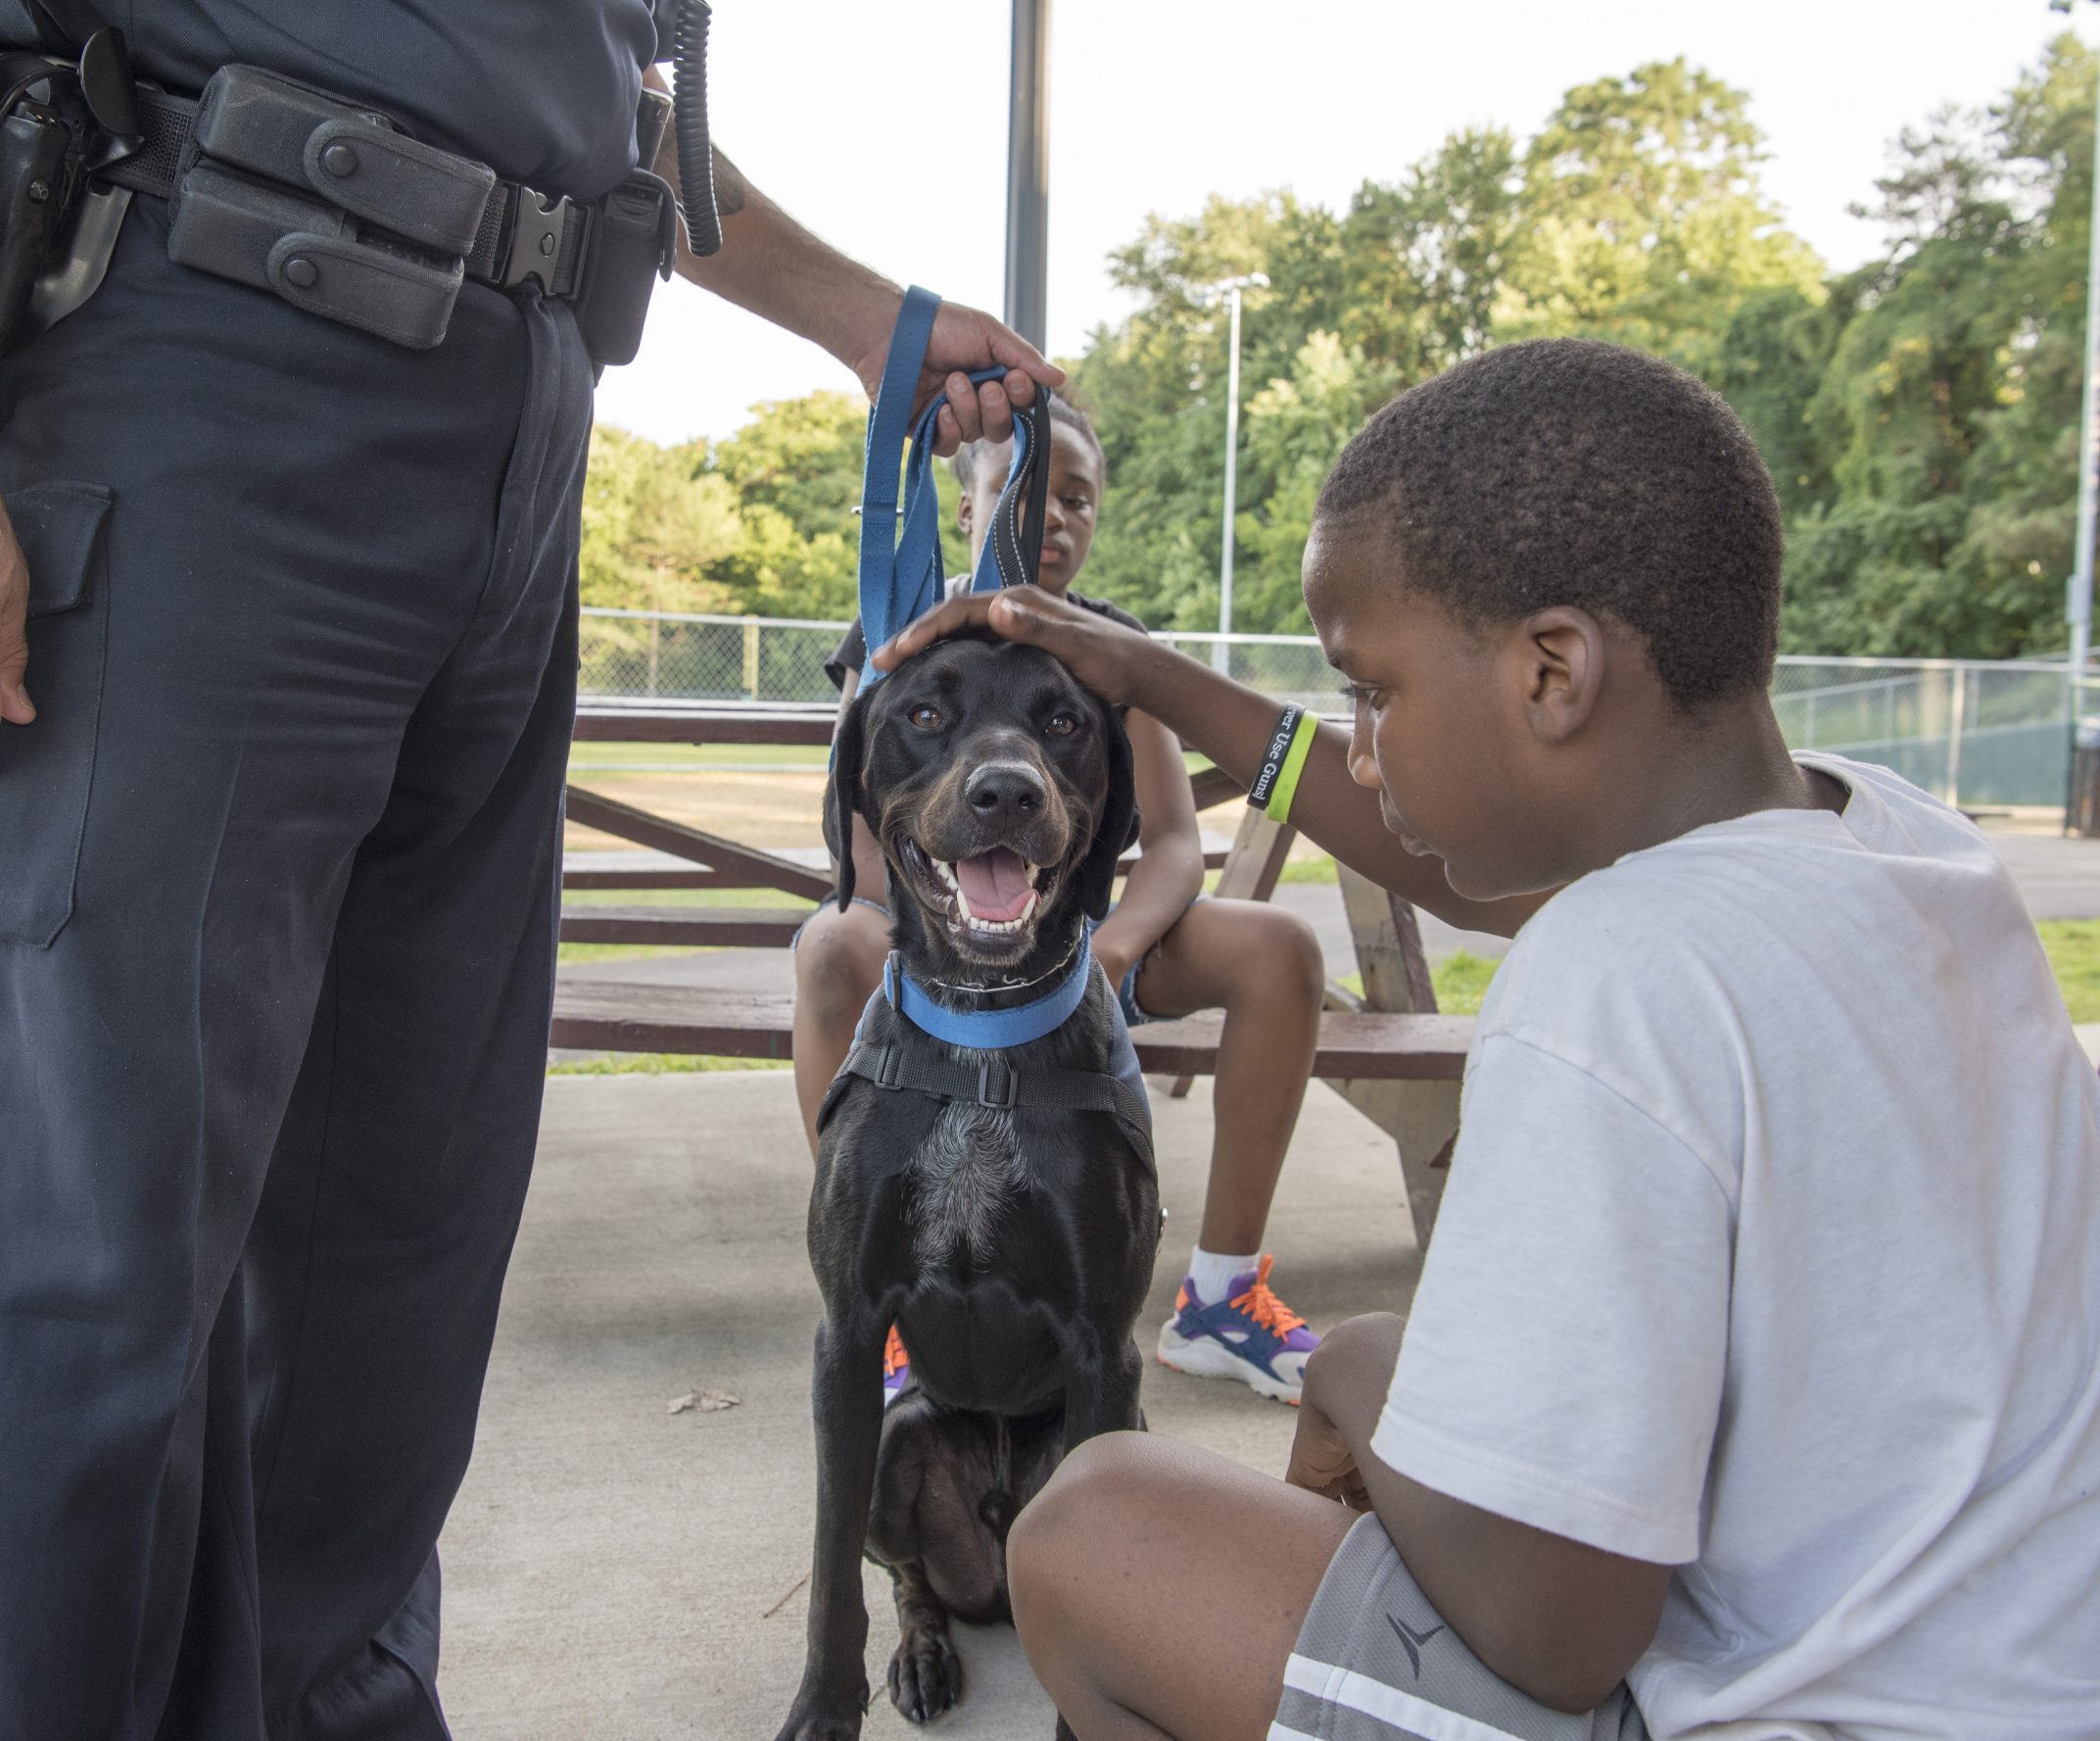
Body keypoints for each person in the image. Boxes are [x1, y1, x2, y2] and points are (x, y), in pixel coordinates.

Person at [0, 2, 1058, 1734]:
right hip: (202, 342)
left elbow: (576, 96)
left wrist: (869, 324)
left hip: (516, 424)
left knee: (392, 1260)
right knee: (79, 1284)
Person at [873, 338, 2100, 1740]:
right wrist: (1145, 668)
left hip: (1808, 1706)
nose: (1368, 745)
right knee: (1382, 1364)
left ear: (1552, 673)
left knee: (1099, 1528)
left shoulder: (1618, 979)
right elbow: (1469, 873)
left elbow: (1558, 1626)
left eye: (1373, 691)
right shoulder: (1900, 841)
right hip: (2018, 1658)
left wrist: (1347, 1380)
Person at [793, 394, 1330, 1403]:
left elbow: (1172, 845)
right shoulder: (898, 627)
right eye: (1028, 492)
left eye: (1077, 499)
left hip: (1085, 939)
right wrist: (953, 921)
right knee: (830, 950)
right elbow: (865, 836)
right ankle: (884, 1274)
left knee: (1279, 946)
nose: (1055, 518)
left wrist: (1113, 950)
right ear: (967, 506)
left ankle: (1219, 1297)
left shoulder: (1110, 644)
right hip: (936, 940)